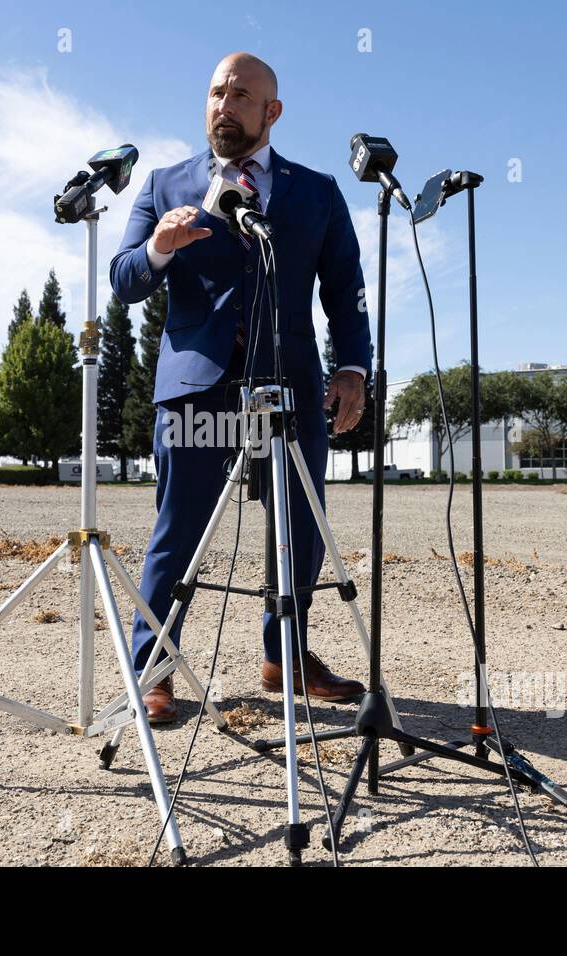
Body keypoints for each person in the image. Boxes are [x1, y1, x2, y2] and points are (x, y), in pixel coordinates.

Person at [109, 52, 372, 723]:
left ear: (270, 111)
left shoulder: (316, 193)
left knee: (300, 529)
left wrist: (352, 369)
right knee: (180, 533)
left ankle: (286, 656)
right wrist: (162, 246)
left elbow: (344, 289)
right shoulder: (166, 184)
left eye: (241, 94)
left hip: (291, 389)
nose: (224, 104)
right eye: (216, 92)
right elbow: (125, 278)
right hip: (197, 391)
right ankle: (155, 670)